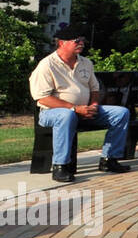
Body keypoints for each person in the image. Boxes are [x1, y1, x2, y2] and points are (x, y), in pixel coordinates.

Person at [29, 26, 131, 181]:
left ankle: (109, 159)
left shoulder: (86, 63)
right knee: (66, 116)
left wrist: (94, 106)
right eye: (76, 40)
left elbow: (95, 89)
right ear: (62, 43)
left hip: (84, 110)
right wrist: (74, 109)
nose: (81, 43)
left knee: (121, 113)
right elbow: (42, 98)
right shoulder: (47, 65)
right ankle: (60, 166)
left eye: (83, 40)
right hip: (52, 112)